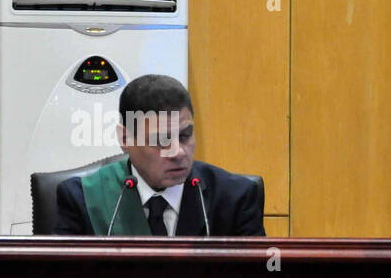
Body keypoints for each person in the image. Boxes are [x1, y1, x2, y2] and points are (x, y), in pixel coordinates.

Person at [55, 74, 265, 236]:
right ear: (125, 138)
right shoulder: (82, 200)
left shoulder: (235, 199)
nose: (178, 152)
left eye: (185, 135)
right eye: (161, 141)